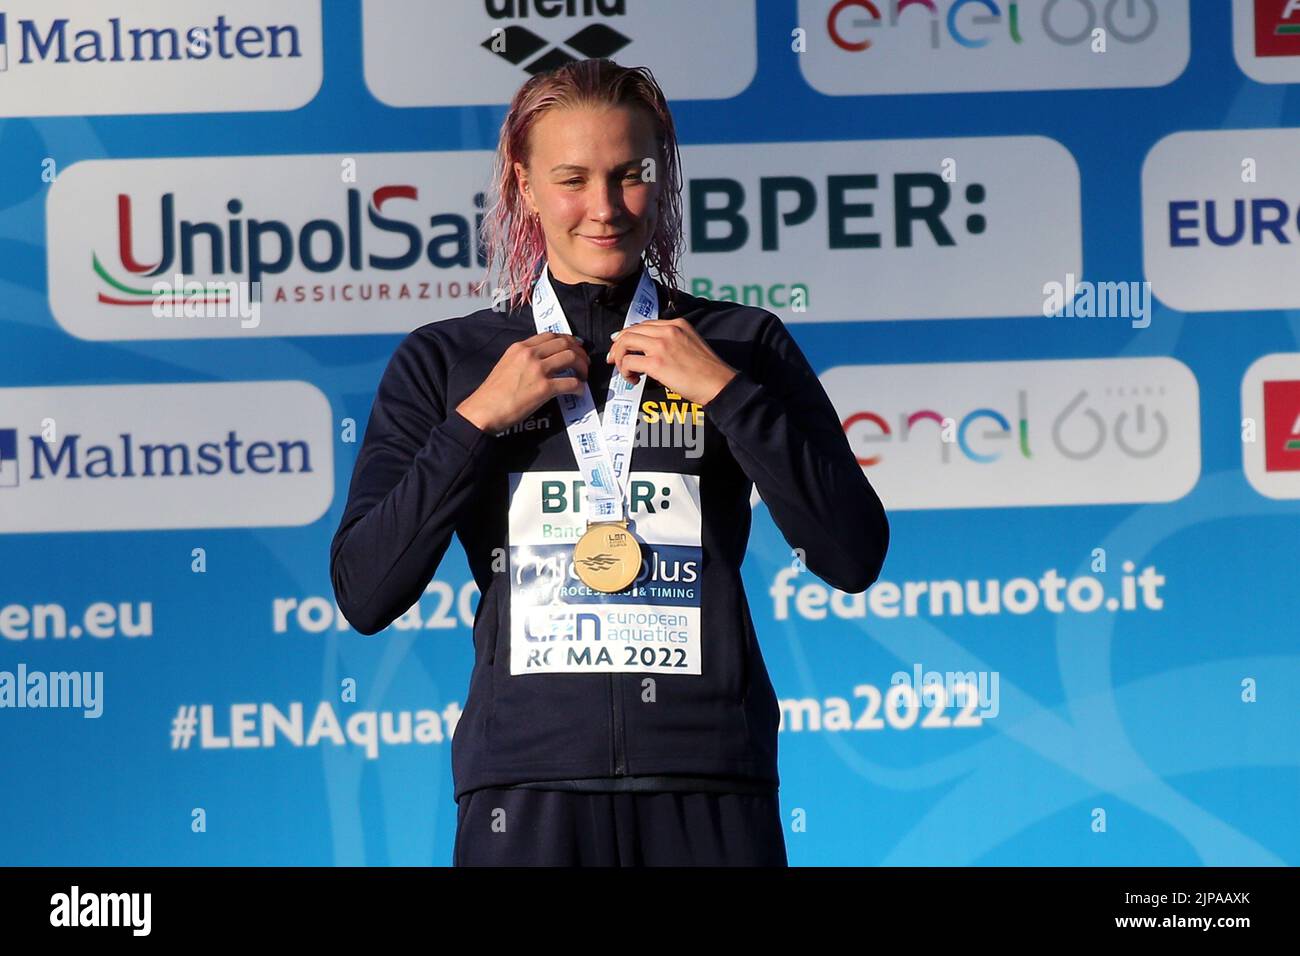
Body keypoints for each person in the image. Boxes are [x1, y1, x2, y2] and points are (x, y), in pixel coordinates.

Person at [329, 59, 889, 866]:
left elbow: (852, 553)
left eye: (629, 175)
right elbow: (365, 590)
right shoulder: (448, 362)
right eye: (572, 178)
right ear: (523, 186)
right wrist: (478, 420)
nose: (604, 208)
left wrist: (728, 396)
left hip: (708, 781)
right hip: (525, 790)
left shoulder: (741, 344)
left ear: (659, 180)